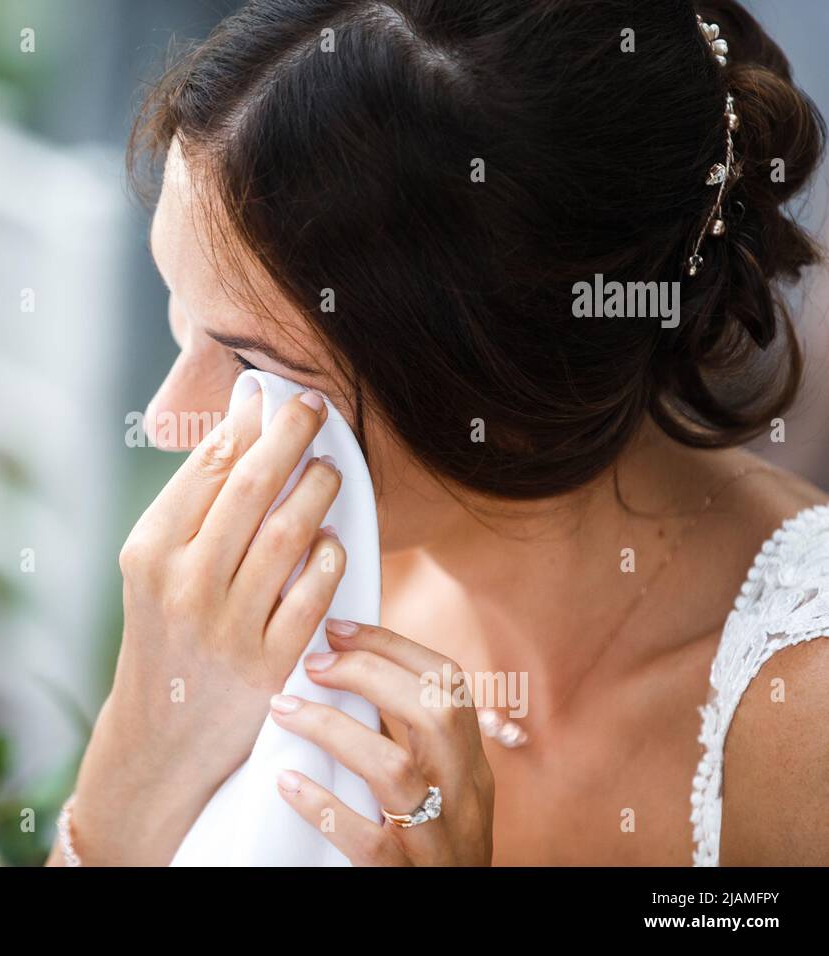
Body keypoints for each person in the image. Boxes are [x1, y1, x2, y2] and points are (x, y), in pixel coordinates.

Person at [55, 0, 829, 865]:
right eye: (177, 317)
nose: (168, 422)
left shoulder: (804, 721)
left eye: (251, 367)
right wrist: (131, 770)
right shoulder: (281, 613)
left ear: (497, 378)